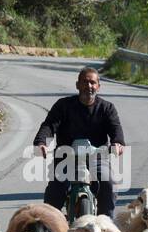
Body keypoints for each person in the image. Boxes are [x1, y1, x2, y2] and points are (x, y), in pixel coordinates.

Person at [33, 66, 125, 216]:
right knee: (56, 188)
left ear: (98, 86)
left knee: (109, 183)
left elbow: (116, 129)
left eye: (92, 83)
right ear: (77, 85)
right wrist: (41, 142)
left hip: (97, 158)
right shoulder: (63, 105)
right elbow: (49, 125)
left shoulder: (107, 108)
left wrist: (117, 142)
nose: (88, 86)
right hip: (66, 158)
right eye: (84, 82)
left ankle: (106, 223)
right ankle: (49, 226)